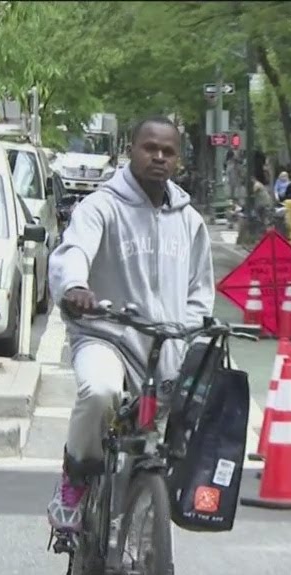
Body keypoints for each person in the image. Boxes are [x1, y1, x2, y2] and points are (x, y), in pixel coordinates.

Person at [46, 116, 215, 531]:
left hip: (166, 346)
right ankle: (75, 478)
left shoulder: (189, 220)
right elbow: (73, 253)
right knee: (101, 392)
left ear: (178, 158)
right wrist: (75, 287)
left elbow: (200, 291)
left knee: (181, 424)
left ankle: (144, 540)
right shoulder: (100, 206)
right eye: (149, 147)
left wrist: (192, 327)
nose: (158, 156)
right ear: (131, 151)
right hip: (107, 336)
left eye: (168, 151)